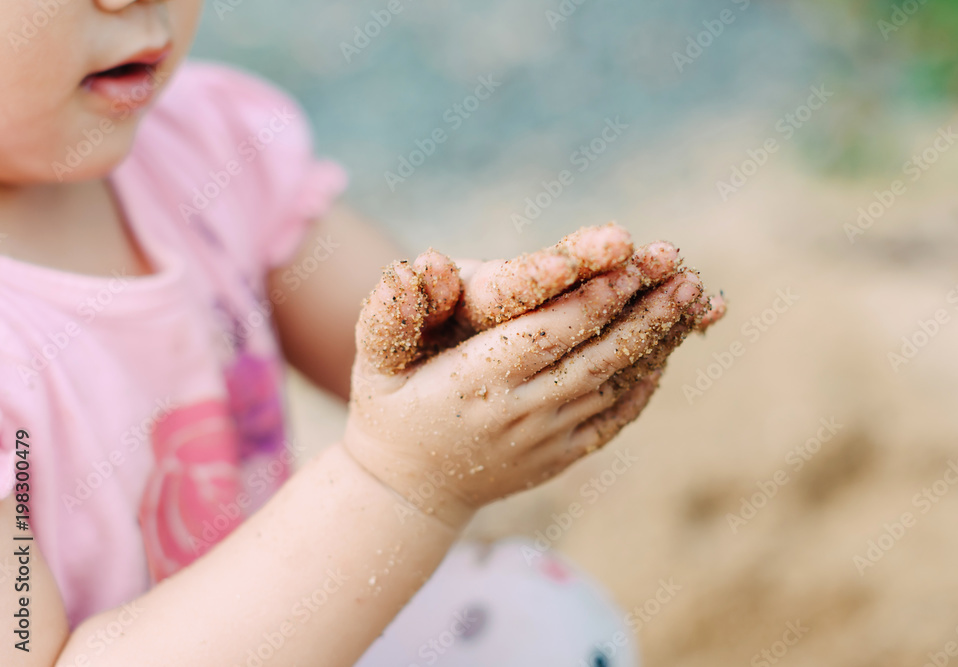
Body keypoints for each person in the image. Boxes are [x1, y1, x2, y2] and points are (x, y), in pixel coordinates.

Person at [0, 0, 723, 665]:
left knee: (533, 621)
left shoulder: (202, 144)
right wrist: (397, 481)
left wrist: (500, 330)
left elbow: (394, 330)